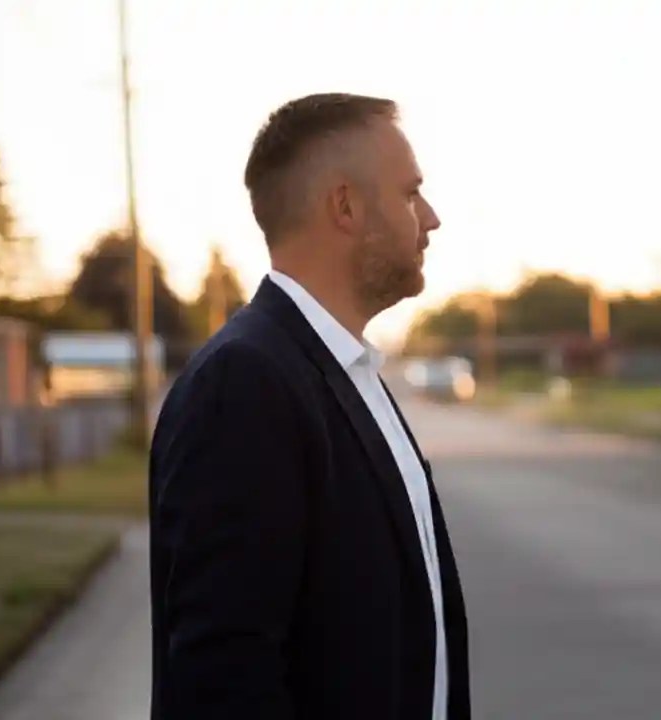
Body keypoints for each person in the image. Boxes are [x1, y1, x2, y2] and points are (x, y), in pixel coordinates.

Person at [148, 93, 469, 719]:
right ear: (345, 206)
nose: (431, 218)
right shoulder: (246, 383)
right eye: (410, 194)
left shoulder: (348, 372)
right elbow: (223, 678)